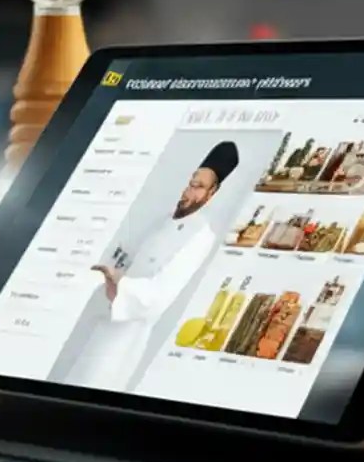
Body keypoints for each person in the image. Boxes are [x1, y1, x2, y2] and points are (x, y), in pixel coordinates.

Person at [71, 141, 240, 391]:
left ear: (211, 193)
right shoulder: (163, 221)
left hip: (125, 337)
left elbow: (161, 294)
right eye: (190, 183)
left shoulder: (201, 235)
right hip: (101, 318)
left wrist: (120, 283)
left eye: (199, 187)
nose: (188, 191)